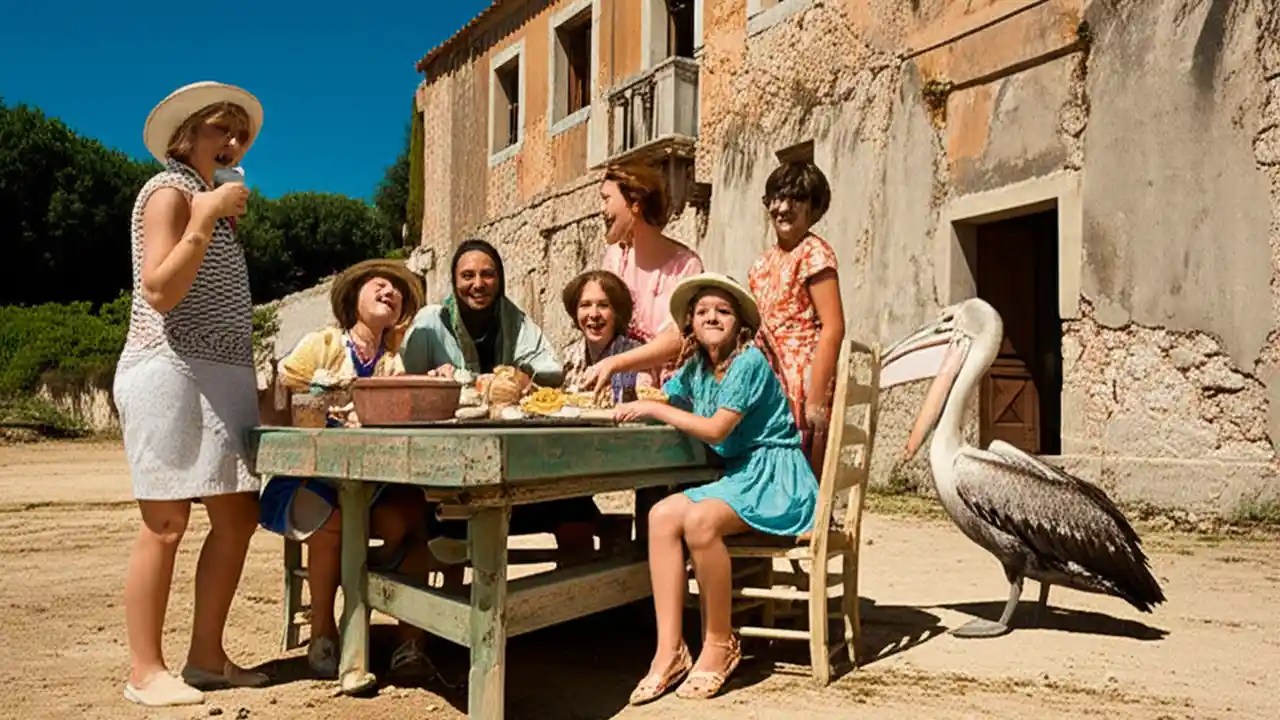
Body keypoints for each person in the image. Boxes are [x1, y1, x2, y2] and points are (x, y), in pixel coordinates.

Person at [113, 81, 266, 706]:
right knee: (167, 522)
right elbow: (158, 291)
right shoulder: (169, 191)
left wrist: (213, 214)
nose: (231, 142)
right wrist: (203, 218)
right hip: (168, 367)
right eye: (218, 130)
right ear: (186, 136)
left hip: (219, 373)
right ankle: (144, 671)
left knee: (238, 515)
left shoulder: (209, 200)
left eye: (238, 133)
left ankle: (206, 657)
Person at [614, 273, 818, 703]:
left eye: (722, 311)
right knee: (662, 515)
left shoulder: (749, 363)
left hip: (777, 479)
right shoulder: (697, 369)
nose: (712, 316)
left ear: (740, 323)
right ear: (690, 323)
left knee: (702, 521)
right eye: (702, 311)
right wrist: (645, 395)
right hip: (743, 476)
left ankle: (720, 645)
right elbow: (669, 397)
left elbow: (715, 428)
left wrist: (653, 407)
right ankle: (669, 650)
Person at [258, 259, 448, 682]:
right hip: (309, 477)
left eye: (397, 291)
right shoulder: (321, 344)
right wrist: (319, 402)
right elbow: (280, 397)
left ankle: (406, 641)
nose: (390, 292)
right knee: (335, 520)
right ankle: (324, 628)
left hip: (370, 484)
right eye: (380, 285)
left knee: (411, 516)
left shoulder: (394, 365)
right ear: (353, 298)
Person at [402, 239, 598, 559]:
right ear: (454, 281)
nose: (478, 284)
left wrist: (522, 373)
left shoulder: (513, 319)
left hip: (512, 462)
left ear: (500, 279)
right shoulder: (431, 323)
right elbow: (405, 378)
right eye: (467, 276)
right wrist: (434, 378)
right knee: (443, 525)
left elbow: (550, 365)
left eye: (487, 274)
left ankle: (579, 604)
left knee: (575, 505)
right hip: (446, 470)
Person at [749, 161, 845, 475]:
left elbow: (833, 327)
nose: (783, 208)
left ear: (815, 209)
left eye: (796, 200)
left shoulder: (814, 253)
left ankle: (809, 519)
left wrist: (815, 398)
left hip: (803, 376)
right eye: (777, 198)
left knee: (801, 468)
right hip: (769, 376)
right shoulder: (761, 265)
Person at [579, 162, 703, 394]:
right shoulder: (616, 259)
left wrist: (616, 363)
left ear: (635, 203)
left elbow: (679, 338)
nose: (601, 209)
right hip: (620, 388)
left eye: (606, 199)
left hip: (672, 392)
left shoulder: (686, 266)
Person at [560, 269, 652, 398]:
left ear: (617, 312)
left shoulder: (637, 354)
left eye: (603, 305)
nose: (594, 314)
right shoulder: (570, 355)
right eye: (585, 305)